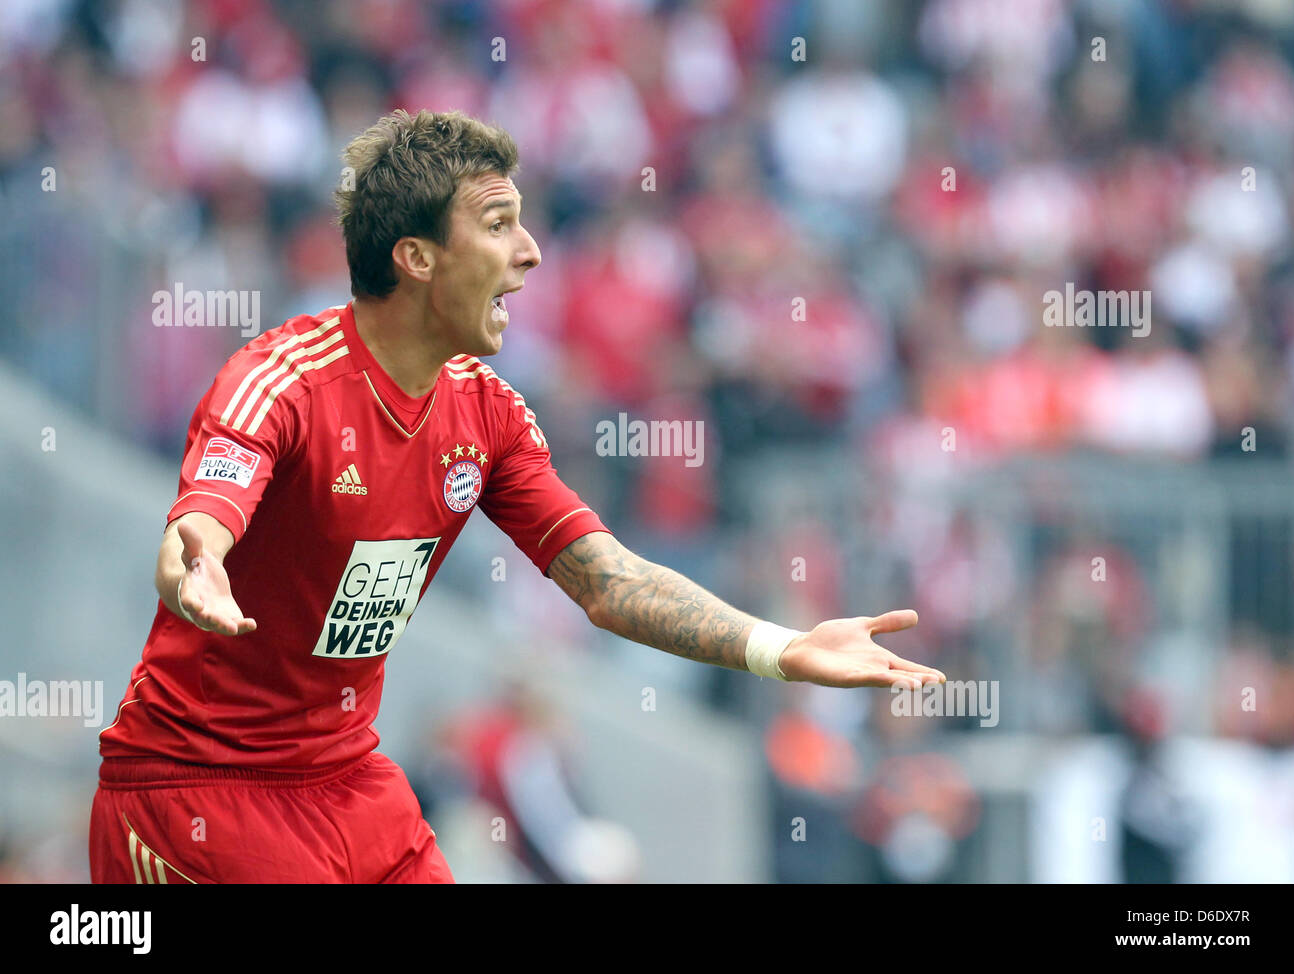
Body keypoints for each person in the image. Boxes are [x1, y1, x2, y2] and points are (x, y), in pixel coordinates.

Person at [89, 109, 945, 884]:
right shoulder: (283, 381)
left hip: (350, 780)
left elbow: (609, 585)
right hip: (200, 788)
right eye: (499, 225)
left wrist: (784, 648)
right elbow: (203, 520)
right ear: (417, 258)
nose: (531, 252)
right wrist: (196, 560)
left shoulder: (486, 412)